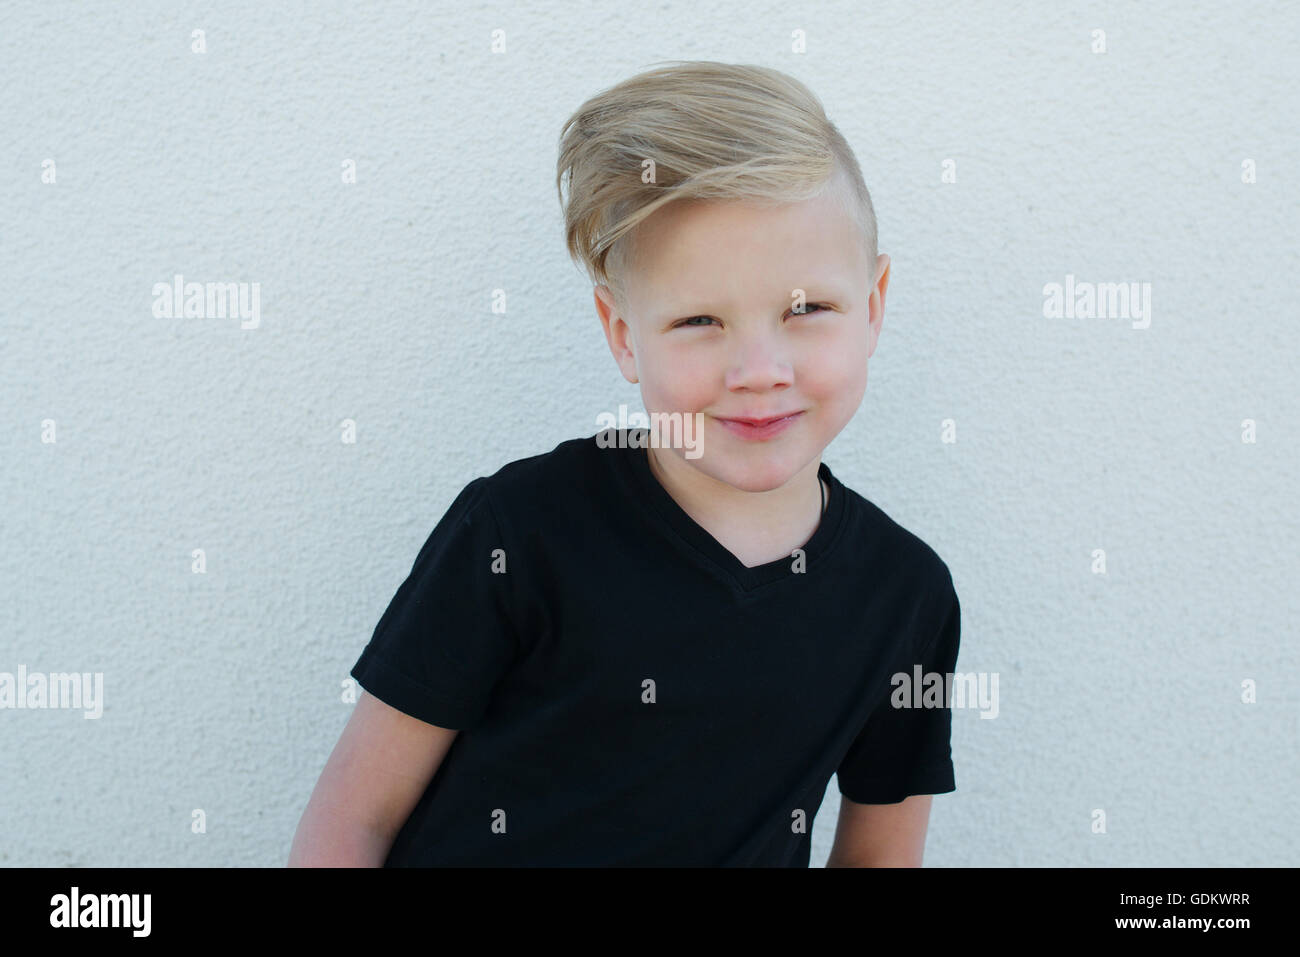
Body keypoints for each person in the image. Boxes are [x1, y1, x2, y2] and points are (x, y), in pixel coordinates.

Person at [289, 60, 960, 867]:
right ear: (621, 334)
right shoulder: (518, 531)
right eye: (700, 319)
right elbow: (354, 815)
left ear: (874, 306)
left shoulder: (906, 597)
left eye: (806, 309)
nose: (757, 368)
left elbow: (880, 856)